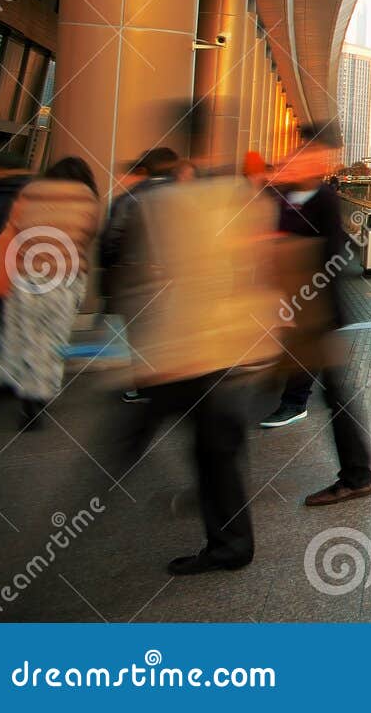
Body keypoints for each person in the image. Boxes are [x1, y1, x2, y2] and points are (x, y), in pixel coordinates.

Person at [107, 131, 283, 574]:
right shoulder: (239, 201)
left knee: (202, 445)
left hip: (190, 350)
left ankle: (228, 542)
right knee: (216, 445)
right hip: (225, 348)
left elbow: (122, 260)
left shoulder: (152, 204)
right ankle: (228, 539)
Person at [258, 124, 371, 506]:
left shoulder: (324, 200)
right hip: (297, 312)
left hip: (317, 315)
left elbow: (332, 257)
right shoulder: (286, 194)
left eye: (313, 155)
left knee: (338, 395)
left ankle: (357, 476)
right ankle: (355, 474)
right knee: (333, 392)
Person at [0, 158, 102, 429]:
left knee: (25, 335)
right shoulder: (87, 197)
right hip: (64, 278)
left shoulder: (30, 191)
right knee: (50, 339)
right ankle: (37, 397)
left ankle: (19, 387)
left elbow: (16, 227)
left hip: (26, 276)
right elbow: (88, 234)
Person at [97, 146, 179, 406]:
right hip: (176, 276)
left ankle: (144, 387)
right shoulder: (187, 196)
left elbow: (111, 240)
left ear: (144, 169)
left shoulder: (128, 199)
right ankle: (172, 384)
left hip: (138, 277)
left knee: (141, 335)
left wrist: (113, 268)